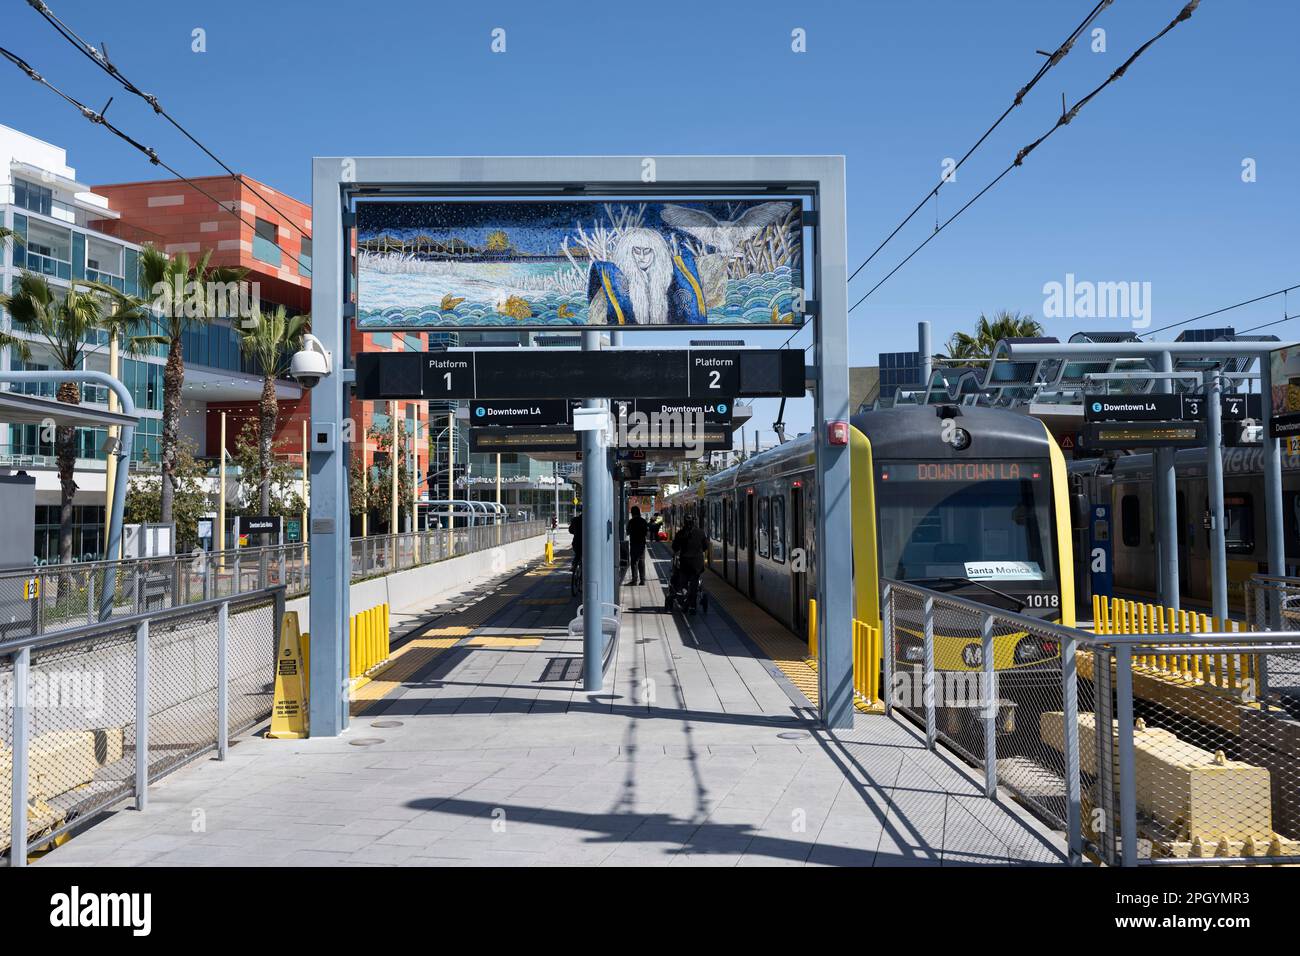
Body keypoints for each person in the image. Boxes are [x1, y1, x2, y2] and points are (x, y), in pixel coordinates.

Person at [672, 514, 710, 613]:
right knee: (694, 585)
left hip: (684, 563)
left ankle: (684, 599)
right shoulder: (701, 533)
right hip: (697, 564)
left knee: (683, 583)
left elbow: (675, 547)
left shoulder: (680, 533)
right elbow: (705, 546)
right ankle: (693, 606)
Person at [627, 506, 649, 585]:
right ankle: (642, 580)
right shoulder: (643, 521)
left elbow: (628, 532)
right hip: (642, 544)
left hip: (633, 544)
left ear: (632, 513)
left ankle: (634, 580)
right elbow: (646, 532)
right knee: (641, 561)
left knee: (634, 562)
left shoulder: (631, 522)